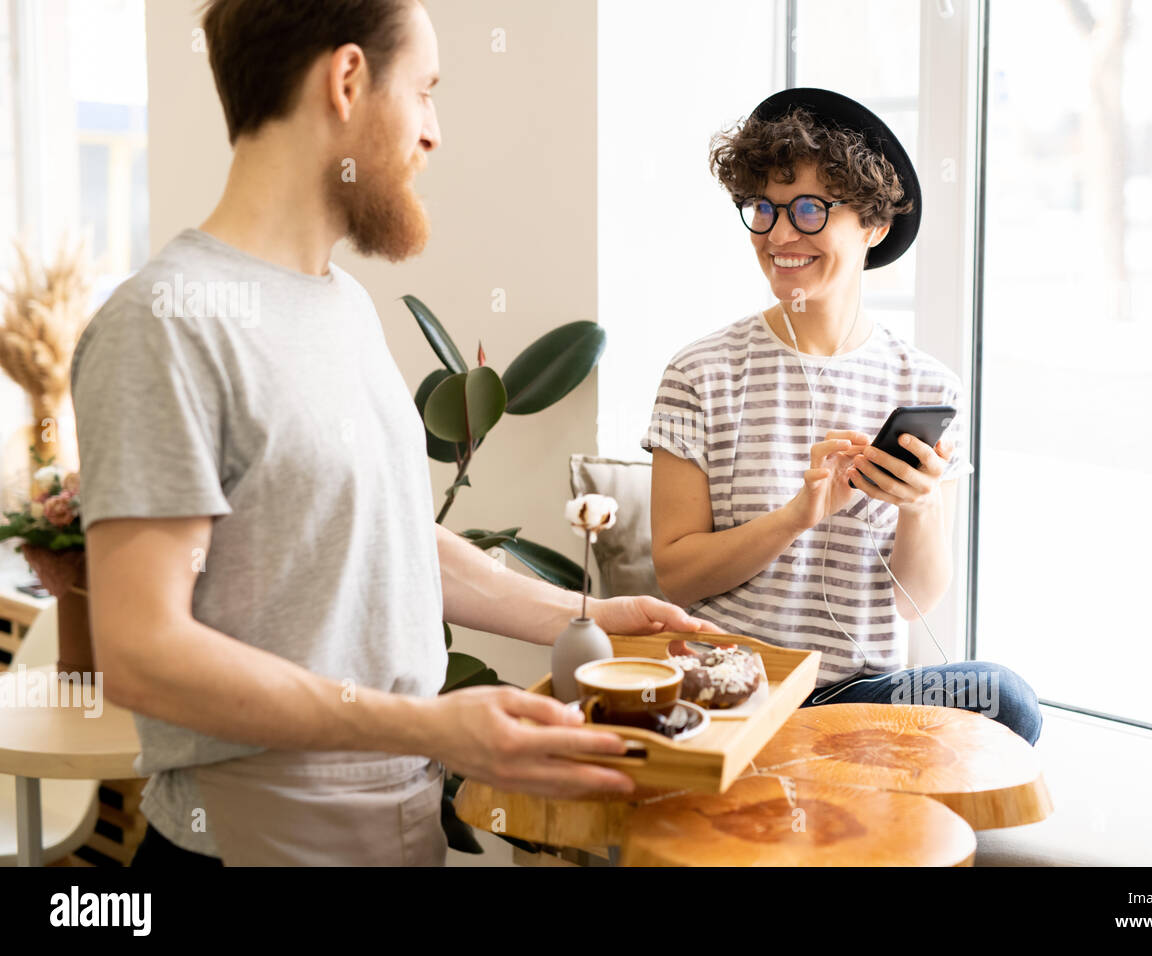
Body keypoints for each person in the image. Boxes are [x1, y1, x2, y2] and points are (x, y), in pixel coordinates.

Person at [72, 0, 721, 867]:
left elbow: (394, 539)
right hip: (253, 839)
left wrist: (592, 615)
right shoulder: (165, 323)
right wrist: (427, 723)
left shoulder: (343, 306)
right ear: (347, 81)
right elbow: (142, 653)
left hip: (394, 820)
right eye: (424, 91)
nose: (434, 133)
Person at [641, 88, 1041, 745]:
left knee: (1004, 701)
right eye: (763, 210)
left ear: (873, 226)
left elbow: (913, 603)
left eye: (808, 209)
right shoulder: (700, 373)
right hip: (735, 685)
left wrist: (919, 507)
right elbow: (677, 573)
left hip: (857, 699)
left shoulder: (925, 385)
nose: (778, 235)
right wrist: (799, 514)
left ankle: (827, 769)